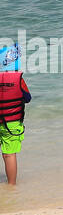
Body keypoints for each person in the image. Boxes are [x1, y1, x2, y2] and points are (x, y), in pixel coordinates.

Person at [0, 50, 31, 186]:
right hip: (11, 123)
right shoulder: (19, 80)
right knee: (9, 154)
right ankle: (11, 187)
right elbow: (27, 98)